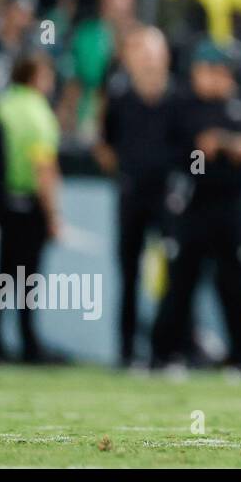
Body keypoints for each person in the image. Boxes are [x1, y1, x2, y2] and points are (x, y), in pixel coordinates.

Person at [150, 39, 241, 369]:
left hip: (231, 205)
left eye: (220, 71)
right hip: (193, 204)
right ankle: (166, 351)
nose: (214, 77)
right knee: (181, 281)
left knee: (235, 283)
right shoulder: (180, 107)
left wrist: (224, 143)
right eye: (207, 70)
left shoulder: (239, 107)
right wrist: (202, 150)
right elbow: (173, 153)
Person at [96, 26, 174, 367]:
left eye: (153, 51)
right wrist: (125, 173)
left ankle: (167, 347)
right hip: (132, 194)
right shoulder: (119, 97)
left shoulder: (178, 98)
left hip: (169, 197)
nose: (147, 59)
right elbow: (103, 143)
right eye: (140, 52)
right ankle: (127, 349)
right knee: (128, 272)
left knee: (175, 273)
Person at [0, 54, 61, 363]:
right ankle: (29, 344)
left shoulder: (4, 106)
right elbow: (43, 167)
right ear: (37, 77)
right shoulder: (38, 114)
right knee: (27, 279)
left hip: (4, 204)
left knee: (4, 274)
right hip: (29, 205)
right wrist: (53, 215)